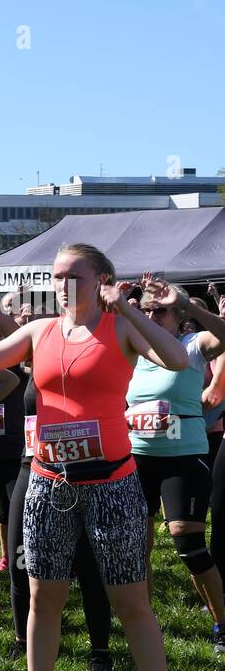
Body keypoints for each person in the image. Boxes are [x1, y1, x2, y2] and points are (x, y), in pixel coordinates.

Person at [0, 243, 187, 671]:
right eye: (58, 277)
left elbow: (176, 359)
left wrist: (125, 305)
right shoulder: (41, 330)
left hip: (112, 483)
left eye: (75, 277)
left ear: (102, 279)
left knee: (130, 599)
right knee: (43, 597)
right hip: (49, 481)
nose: (64, 286)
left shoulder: (121, 327)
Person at [126, 276, 225, 647]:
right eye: (147, 309)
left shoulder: (192, 345)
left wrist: (187, 304)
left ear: (177, 316)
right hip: (136, 457)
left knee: (189, 545)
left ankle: (222, 624)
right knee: (138, 545)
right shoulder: (133, 348)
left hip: (182, 457)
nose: (152, 315)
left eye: (161, 310)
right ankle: (145, 624)